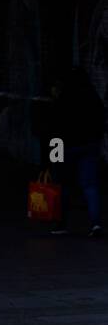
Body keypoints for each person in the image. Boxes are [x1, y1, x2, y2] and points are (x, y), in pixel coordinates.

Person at [47, 67, 105, 238]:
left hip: (65, 146)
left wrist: (52, 155)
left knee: (63, 184)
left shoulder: (63, 99)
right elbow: (100, 119)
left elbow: (54, 127)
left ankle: (61, 223)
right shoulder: (92, 97)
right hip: (88, 145)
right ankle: (95, 223)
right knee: (90, 185)